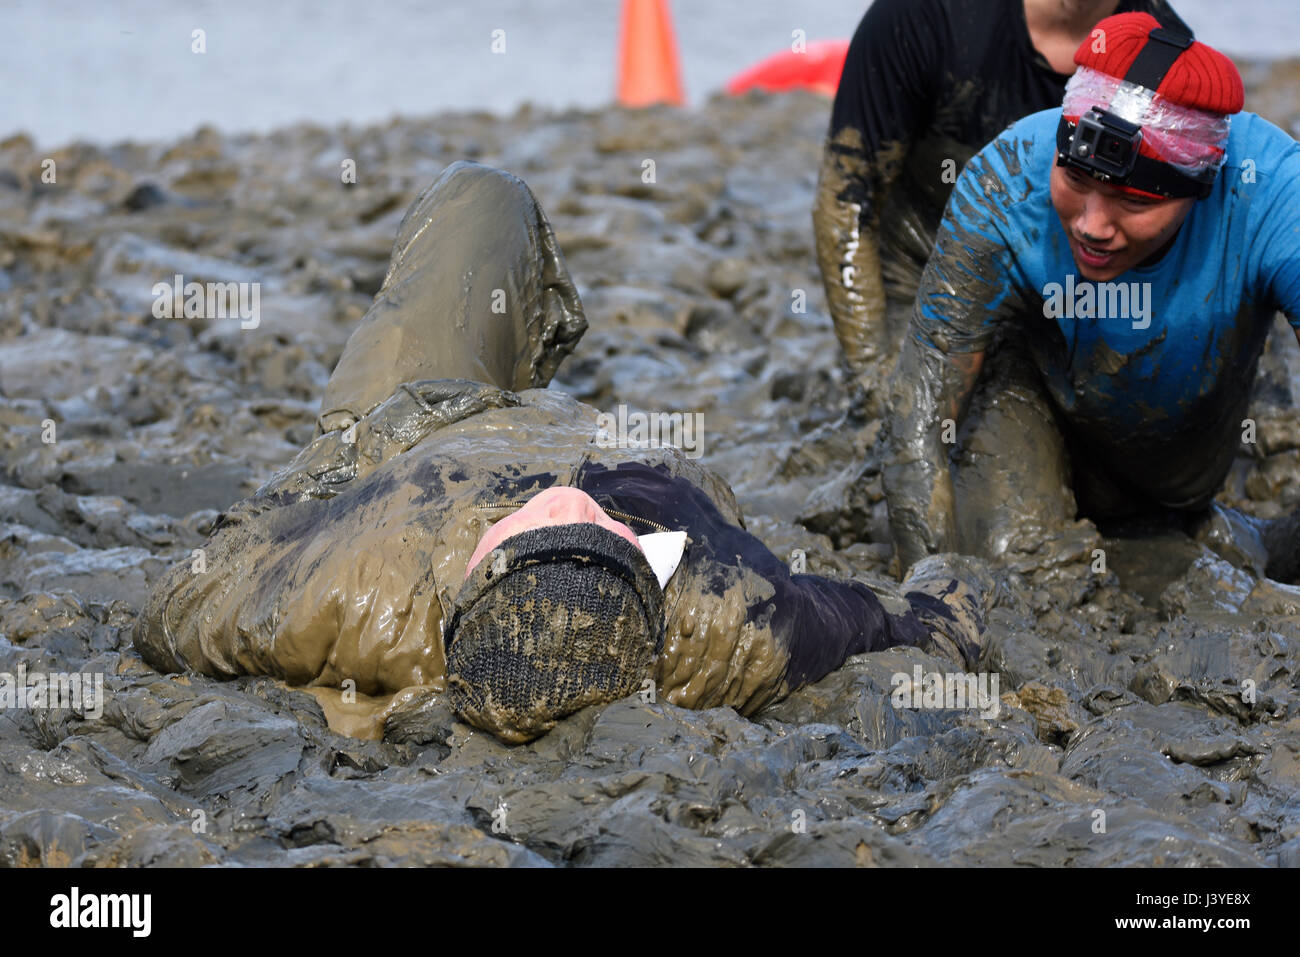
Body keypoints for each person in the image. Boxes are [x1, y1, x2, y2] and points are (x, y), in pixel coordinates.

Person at [134, 161, 991, 745]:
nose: (570, 498)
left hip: (421, 429)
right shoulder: (726, 617)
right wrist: (944, 585)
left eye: (541, 526)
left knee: (481, 197)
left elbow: (180, 600)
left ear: (471, 575)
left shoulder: (357, 588)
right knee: (495, 199)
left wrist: (337, 478)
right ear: (645, 581)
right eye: (598, 529)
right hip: (553, 459)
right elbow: (898, 619)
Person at [882, 12, 1300, 583]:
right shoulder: (1003, 182)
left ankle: (1185, 534)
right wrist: (925, 594)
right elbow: (918, 419)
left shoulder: (1273, 191)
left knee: (1181, 530)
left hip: (1182, 462)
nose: (1092, 225)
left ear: (1201, 190)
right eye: (1076, 182)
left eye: (1132, 201)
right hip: (1033, 401)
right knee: (1017, 565)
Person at [812, 0, 1188, 400]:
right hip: (924, 279)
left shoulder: (1167, 51)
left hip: (1074, 297)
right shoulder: (921, 16)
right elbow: (846, 200)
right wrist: (872, 373)